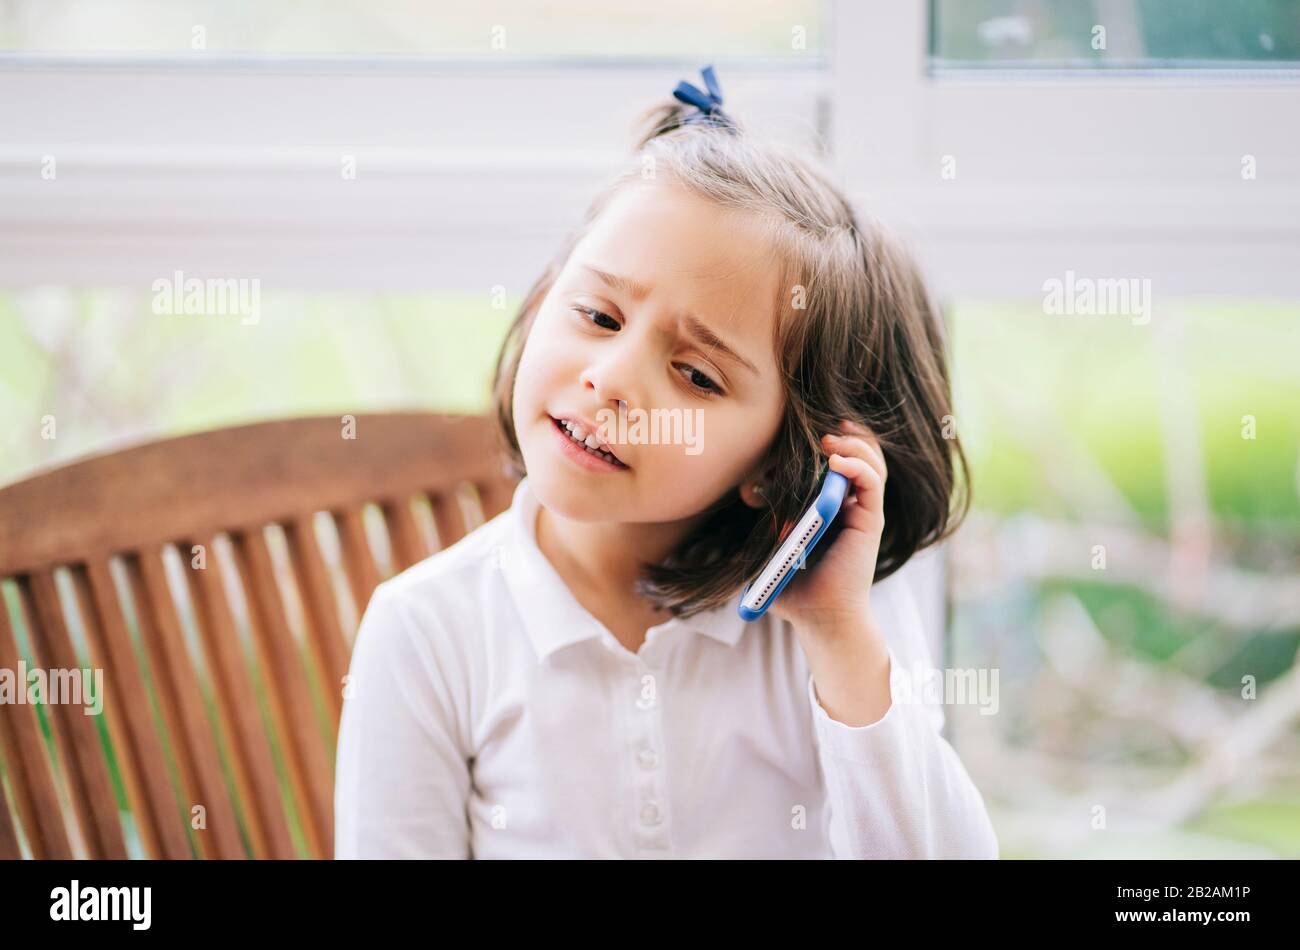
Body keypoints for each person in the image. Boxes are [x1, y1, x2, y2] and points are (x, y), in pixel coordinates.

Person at [334, 66, 998, 859]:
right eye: (599, 314)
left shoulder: (836, 620)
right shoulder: (428, 631)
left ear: (780, 461)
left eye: (696, 374)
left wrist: (838, 633)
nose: (611, 379)